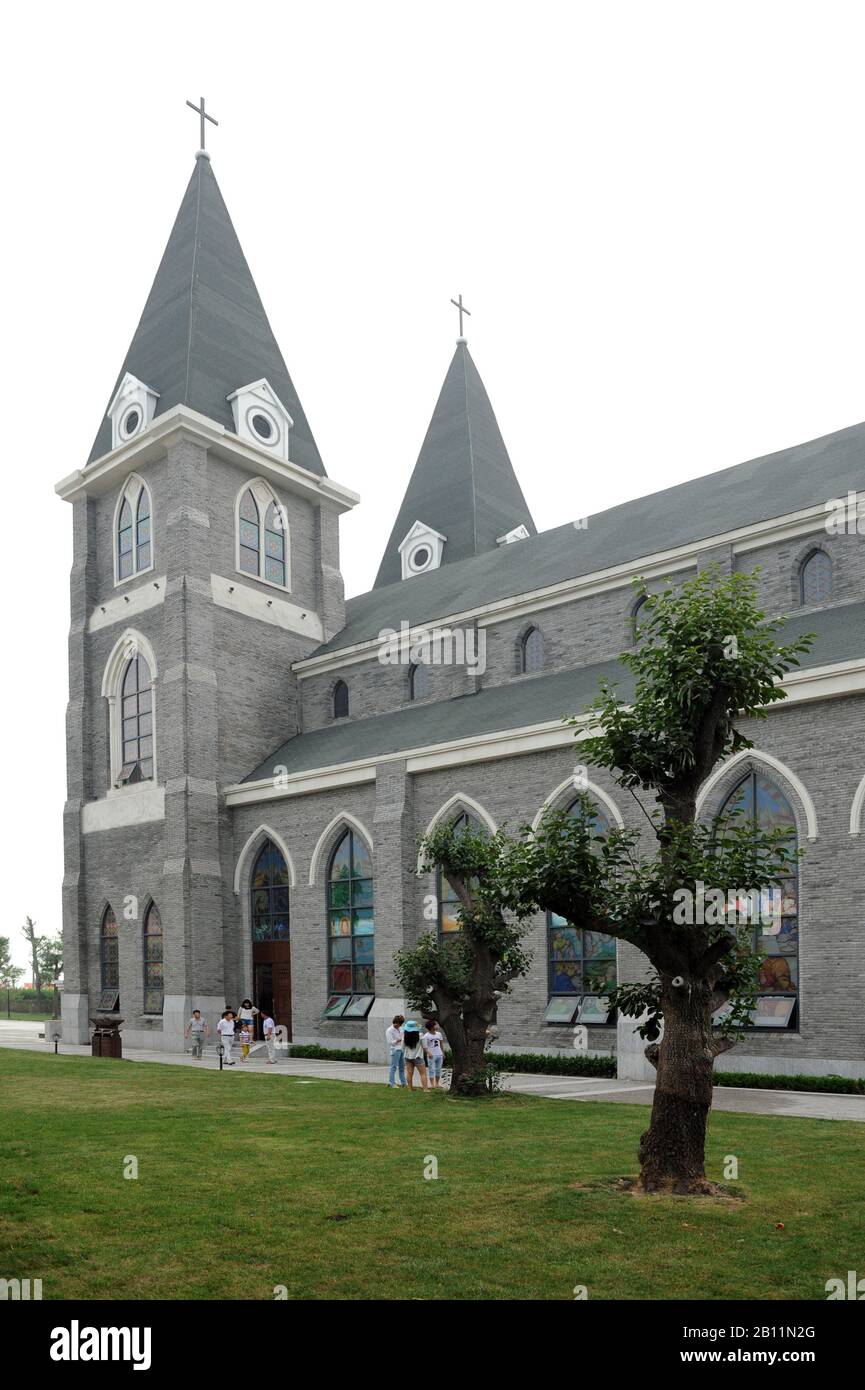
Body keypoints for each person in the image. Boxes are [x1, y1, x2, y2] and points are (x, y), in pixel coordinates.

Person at [402, 1020, 428, 1091]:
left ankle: (410, 1089)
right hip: (418, 1056)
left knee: (409, 1073)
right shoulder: (421, 1036)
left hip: (408, 1057)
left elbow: (402, 1048)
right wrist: (429, 1053)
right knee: (423, 1073)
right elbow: (425, 1047)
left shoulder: (404, 1037)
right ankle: (425, 1089)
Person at [422, 1018, 444, 1088]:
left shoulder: (439, 1034)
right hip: (431, 1055)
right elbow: (424, 1047)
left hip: (439, 1054)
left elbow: (441, 1044)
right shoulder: (426, 1036)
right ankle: (432, 1084)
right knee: (431, 1069)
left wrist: (443, 1053)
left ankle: (437, 1083)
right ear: (431, 1027)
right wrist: (428, 1053)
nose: (437, 1026)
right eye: (435, 1025)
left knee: (438, 1069)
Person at [386, 1014, 405, 1088]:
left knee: (402, 1067)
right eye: (399, 1024)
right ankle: (392, 1083)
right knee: (393, 1067)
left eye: (401, 1024)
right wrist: (398, 1040)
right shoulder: (389, 1030)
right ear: (396, 1023)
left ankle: (403, 1083)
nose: (400, 1026)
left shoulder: (401, 1029)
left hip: (402, 1049)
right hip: (395, 1050)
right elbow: (390, 1042)